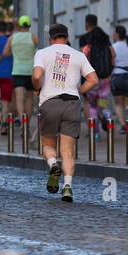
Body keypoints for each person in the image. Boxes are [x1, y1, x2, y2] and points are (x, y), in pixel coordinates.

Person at [33, 23, 99, 202]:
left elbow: (37, 76)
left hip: (50, 103)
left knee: (47, 145)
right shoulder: (78, 55)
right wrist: (79, 90)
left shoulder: (42, 53)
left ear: (50, 39)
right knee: (68, 151)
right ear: (67, 38)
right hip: (71, 103)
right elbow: (93, 79)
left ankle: (53, 165)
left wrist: (37, 88)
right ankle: (68, 186)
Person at [79, 15, 115, 129]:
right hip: (106, 76)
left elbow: (84, 56)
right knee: (103, 102)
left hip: (92, 77)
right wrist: (110, 70)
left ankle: (95, 132)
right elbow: (113, 54)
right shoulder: (105, 36)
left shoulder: (84, 38)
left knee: (92, 105)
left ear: (86, 24)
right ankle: (108, 119)